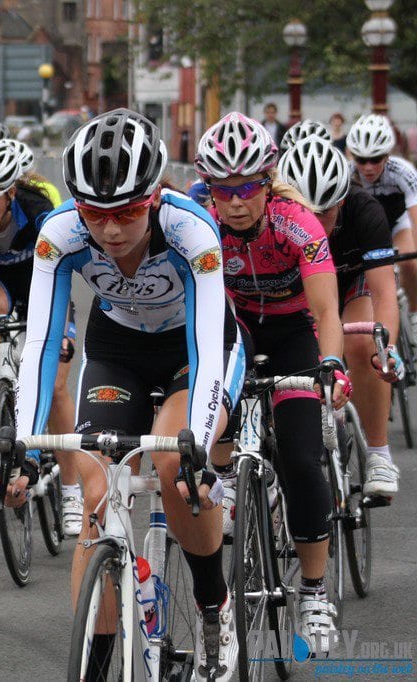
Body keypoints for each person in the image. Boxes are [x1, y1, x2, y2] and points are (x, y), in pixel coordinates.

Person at [12, 109, 245, 680]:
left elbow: (208, 343)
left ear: (155, 195)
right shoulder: (60, 235)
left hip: (197, 348)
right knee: (97, 484)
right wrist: (24, 442)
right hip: (118, 348)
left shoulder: (191, 230)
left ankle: (213, 605)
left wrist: (196, 440)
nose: (111, 230)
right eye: (95, 213)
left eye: (127, 213)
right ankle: (93, 663)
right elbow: (41, 342)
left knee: (171, 463)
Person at [196, 112, 347, 654]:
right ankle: (226, 475)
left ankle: (312, 591)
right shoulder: (201, 222)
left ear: (268, 180)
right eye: (222, 189)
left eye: (247, 187)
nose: (235, 201)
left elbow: (327, 310)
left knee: (303, 458)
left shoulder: (296, 224)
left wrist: (330, 364)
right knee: (207, 410)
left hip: (291, 333)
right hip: (234, 328)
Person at [0, 140, 82, 536]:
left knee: (57, 386)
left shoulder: (40, 213)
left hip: (44, 286)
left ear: (10, 192)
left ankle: (73, 491)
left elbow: (63, 273)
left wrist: (58, 333)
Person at [278, 135, 401, 500]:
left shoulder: (366, 212)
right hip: (298, 289)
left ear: (343, 200)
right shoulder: (270, 215)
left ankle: (379, 453)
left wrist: (387, 346)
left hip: (350, 283)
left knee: (362, 343)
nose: (313, 222)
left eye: (326, 212)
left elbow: (382, 292)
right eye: (304, 210)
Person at [346, 114, 417, 342]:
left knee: (409, 264)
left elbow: (415, 214)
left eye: (376, 159)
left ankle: (414, 315)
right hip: (366, 233)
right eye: (361, 159)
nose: (368, 167)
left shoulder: (402, 171)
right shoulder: (347, 174)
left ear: (387, 155)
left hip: (397, 225)